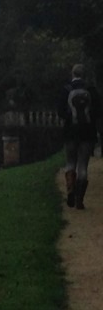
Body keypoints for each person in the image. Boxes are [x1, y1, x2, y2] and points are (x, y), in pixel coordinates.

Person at [59, 64, 102, 209]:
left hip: (70, 131)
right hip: (87, 133)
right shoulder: (91, 90)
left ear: (72, 74)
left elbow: (60, 112)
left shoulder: (66, 90)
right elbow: (98, 111)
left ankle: (70, 188)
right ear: (84, 75)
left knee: (70, 162)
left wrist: (69, 118)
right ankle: (79, 200)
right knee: (83, 165)